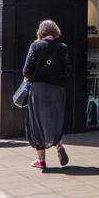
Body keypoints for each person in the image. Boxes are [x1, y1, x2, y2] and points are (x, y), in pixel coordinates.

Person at [22, 20, 69, 168]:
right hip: (58, 89)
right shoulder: (63, 48)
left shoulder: (35, 46)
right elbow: (67, 70)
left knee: (37, 122)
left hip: (39, 89)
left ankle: (41, 161)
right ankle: (59, 144)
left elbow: (26, 71)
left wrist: (31, 77)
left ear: (41, 32)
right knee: (55, 119)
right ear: (55, 31)